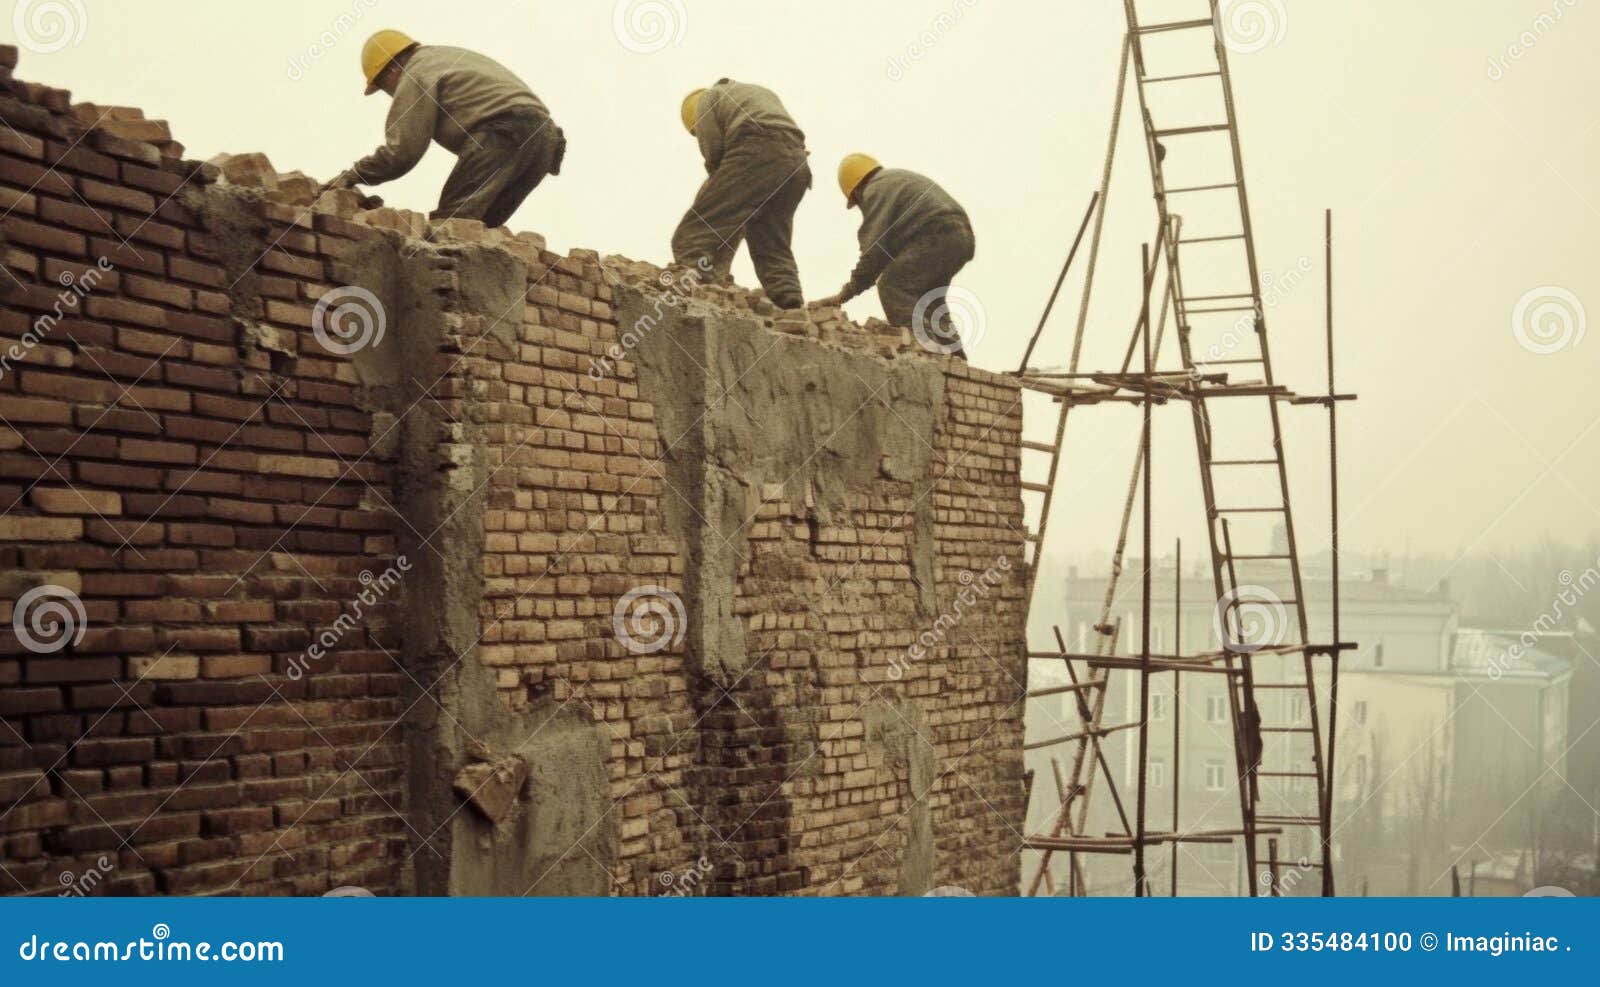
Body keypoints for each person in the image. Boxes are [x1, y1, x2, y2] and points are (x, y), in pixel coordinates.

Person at [323, 30, 566, 228]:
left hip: (505, 132)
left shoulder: (415, 73)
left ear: (391, 70)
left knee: (450, 225)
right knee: (481, 230)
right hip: (545, 141)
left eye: (383, 87)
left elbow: (404, 152)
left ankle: (443, 285)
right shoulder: (440, 58)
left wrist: (354, 175)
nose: (390, 94)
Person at [813, 154, 976, 359]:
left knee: (892, 286)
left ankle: (924, 353)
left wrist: (844, 295)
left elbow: (874, 252)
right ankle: (956, 361)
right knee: (931, 301)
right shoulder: (894, 180)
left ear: (856, 190)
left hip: (937, 233)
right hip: (961, 238)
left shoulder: (875, 191)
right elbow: (889, 246)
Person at [671, 79, 811, 309]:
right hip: (797, 165)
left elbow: (715, 154)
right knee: (770, 238)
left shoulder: (708, 99)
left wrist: (715, 193)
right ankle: (789, 304)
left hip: (758, 148)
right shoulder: (756, 91)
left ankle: (698, 291)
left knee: (696, 231)